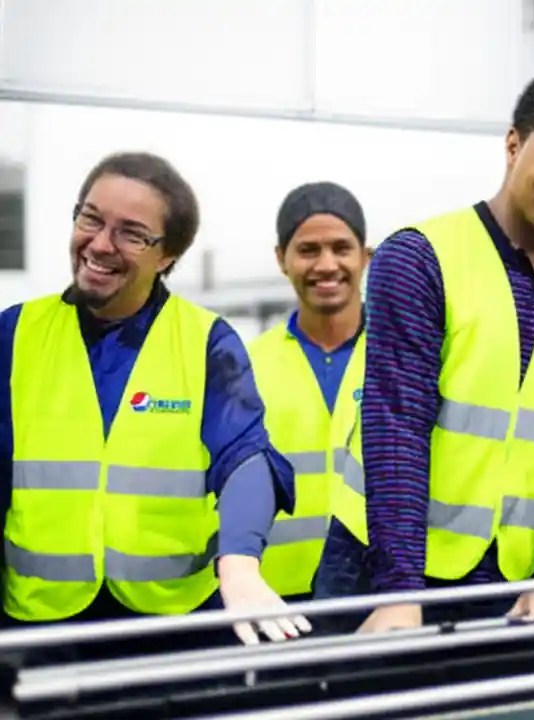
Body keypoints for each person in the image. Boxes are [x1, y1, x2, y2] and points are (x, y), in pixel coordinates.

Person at [312, 70, 534, 633]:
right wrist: (398, 592)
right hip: (381, 570)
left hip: (520, 586)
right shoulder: (421, 257)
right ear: (514, 146)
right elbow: (397, 426)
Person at [0, 152, 307, 656]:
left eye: (131, 233)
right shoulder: (16, 335)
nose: (100, 243)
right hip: (38, 625)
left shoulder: (206, 341)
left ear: (167, 255)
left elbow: (245, 456)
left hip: (171, 624)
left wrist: (239, 563)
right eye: (90, 218)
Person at [248, 182, 371, 601]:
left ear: (365, 257)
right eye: (308, 250)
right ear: (282, 259)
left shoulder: (403, 358)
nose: (326, 264)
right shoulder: (245, 367)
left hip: (376, 596)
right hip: (275, 598)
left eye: (341, 248)